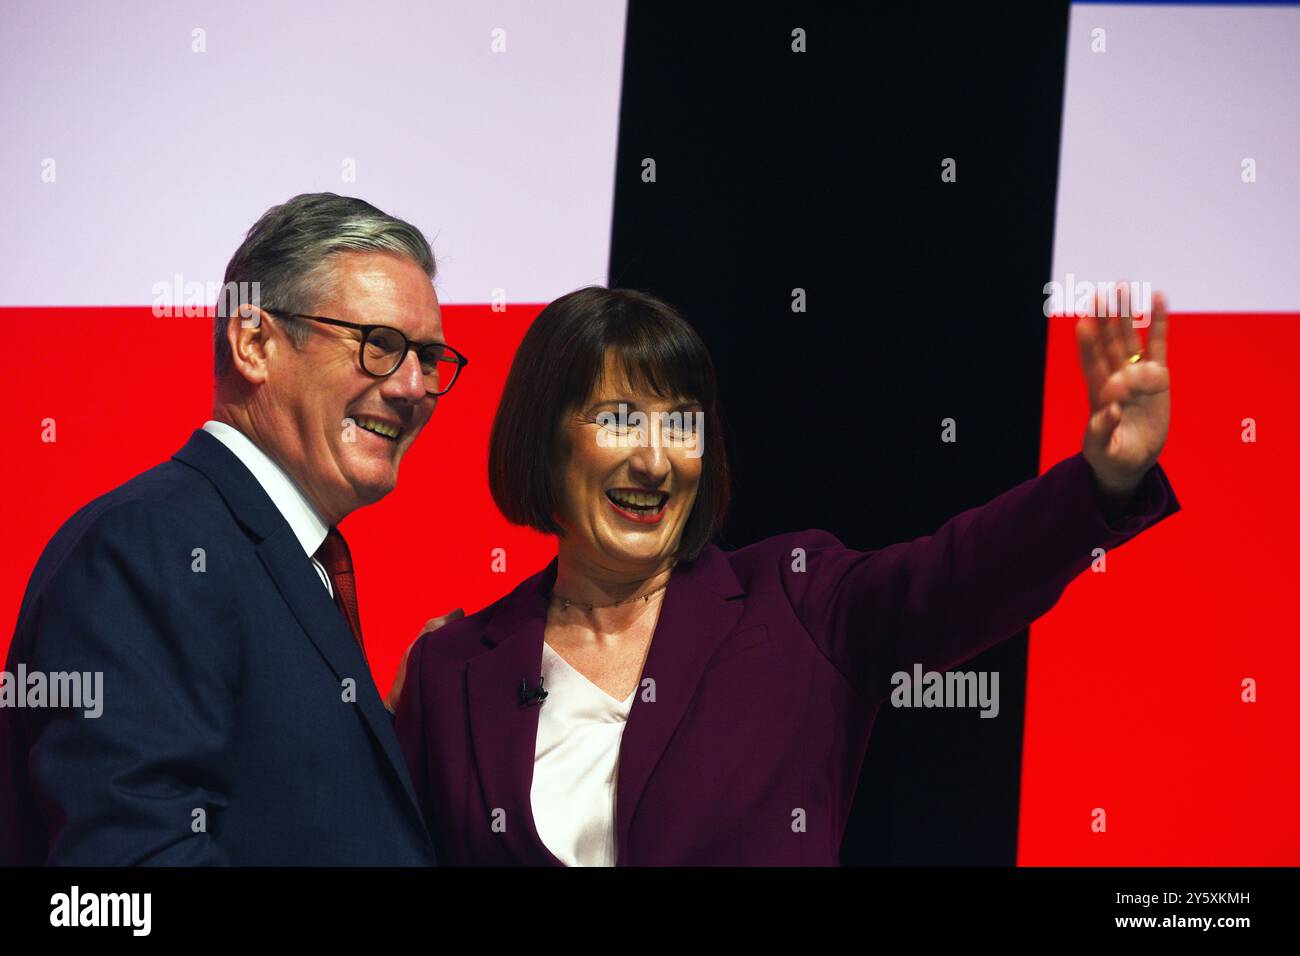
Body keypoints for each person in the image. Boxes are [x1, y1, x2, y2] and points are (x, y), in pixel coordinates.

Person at [393, 283, 1179, 866]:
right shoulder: (451, 673)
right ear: (546, 438)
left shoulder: (797, 603)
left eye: (682, 423)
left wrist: (1099, 486)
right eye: (621, 418)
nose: (656, 458)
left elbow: (957, 579)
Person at [1, 192, 466, 865]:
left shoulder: (283, 557)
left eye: (428, 357)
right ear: (254, 343)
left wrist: (387, 730)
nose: (413, 387)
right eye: (380, 346)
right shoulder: (149, 548)